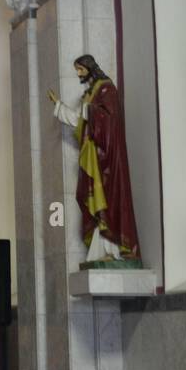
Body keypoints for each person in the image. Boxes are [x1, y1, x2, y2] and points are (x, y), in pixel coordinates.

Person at [47, 55, 141, 262]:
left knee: (108, 199)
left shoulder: (107, 89)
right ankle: (101, 250)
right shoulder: (90, 94)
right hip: (92, 157)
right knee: (93, 201)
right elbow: (80, 120)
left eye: (80, 70)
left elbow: (110, 119)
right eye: (77, 70)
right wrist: (60, 106)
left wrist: (89, 110)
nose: (79, 74)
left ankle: (113, 249)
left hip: (106, 157)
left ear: (90, 68)